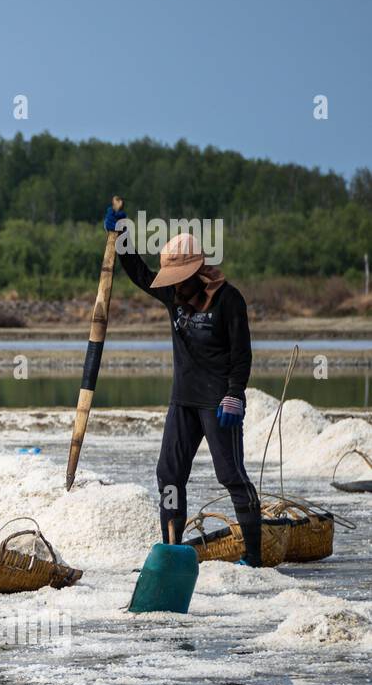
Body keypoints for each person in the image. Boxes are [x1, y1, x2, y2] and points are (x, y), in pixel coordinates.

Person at [109, 203, 262, 566]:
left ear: (197, 272)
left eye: (180, 278)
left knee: (232, 475)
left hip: (217, 403)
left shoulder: (229, 300)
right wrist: (122, 235)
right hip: (183, 402)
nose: (174, 286)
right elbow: (139, 272)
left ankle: (254, 555)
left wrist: (234, 394)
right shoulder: (172, 295)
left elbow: (242, 355)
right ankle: (173, 549)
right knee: (169, 475)